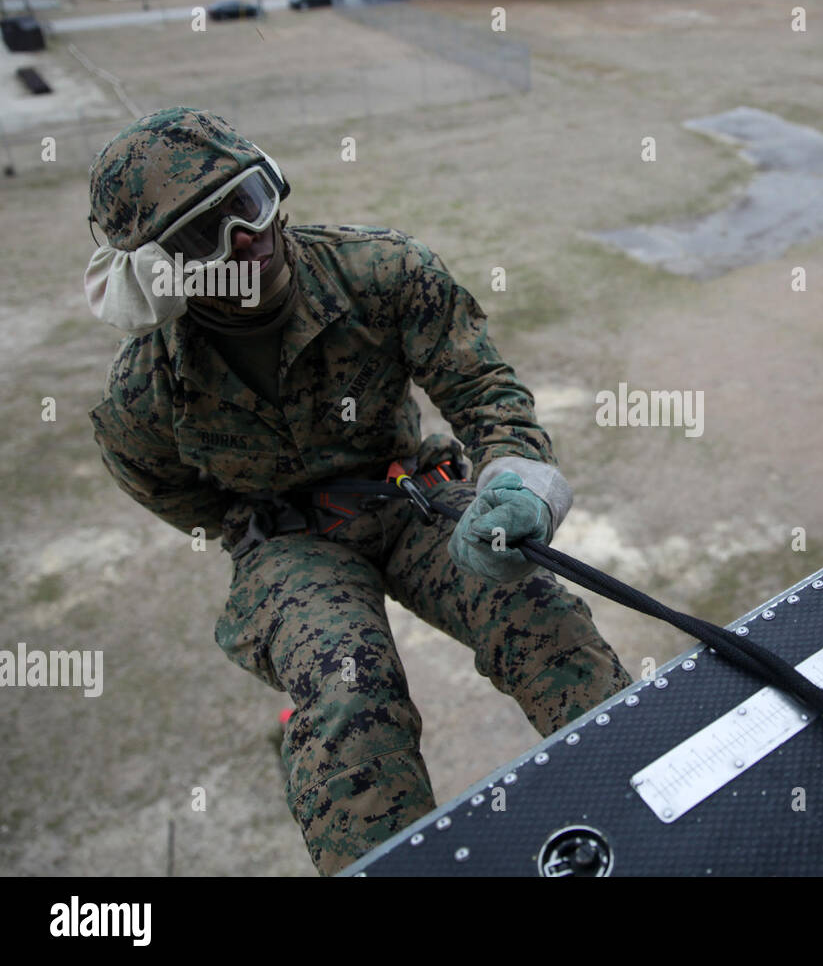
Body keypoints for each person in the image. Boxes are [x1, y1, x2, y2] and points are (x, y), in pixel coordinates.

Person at [83, 107, 632, 875]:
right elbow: (169, 492)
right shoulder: (144, 394)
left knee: (540, 614)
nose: (245, 237)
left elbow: (484, 391)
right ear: (155, 269)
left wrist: (515, 483)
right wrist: (266, 526)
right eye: (200, 234)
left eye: (247, 202)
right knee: (349, 697)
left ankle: (658, 804)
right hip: (292, 548)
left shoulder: (381, 273)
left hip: (409, 496)